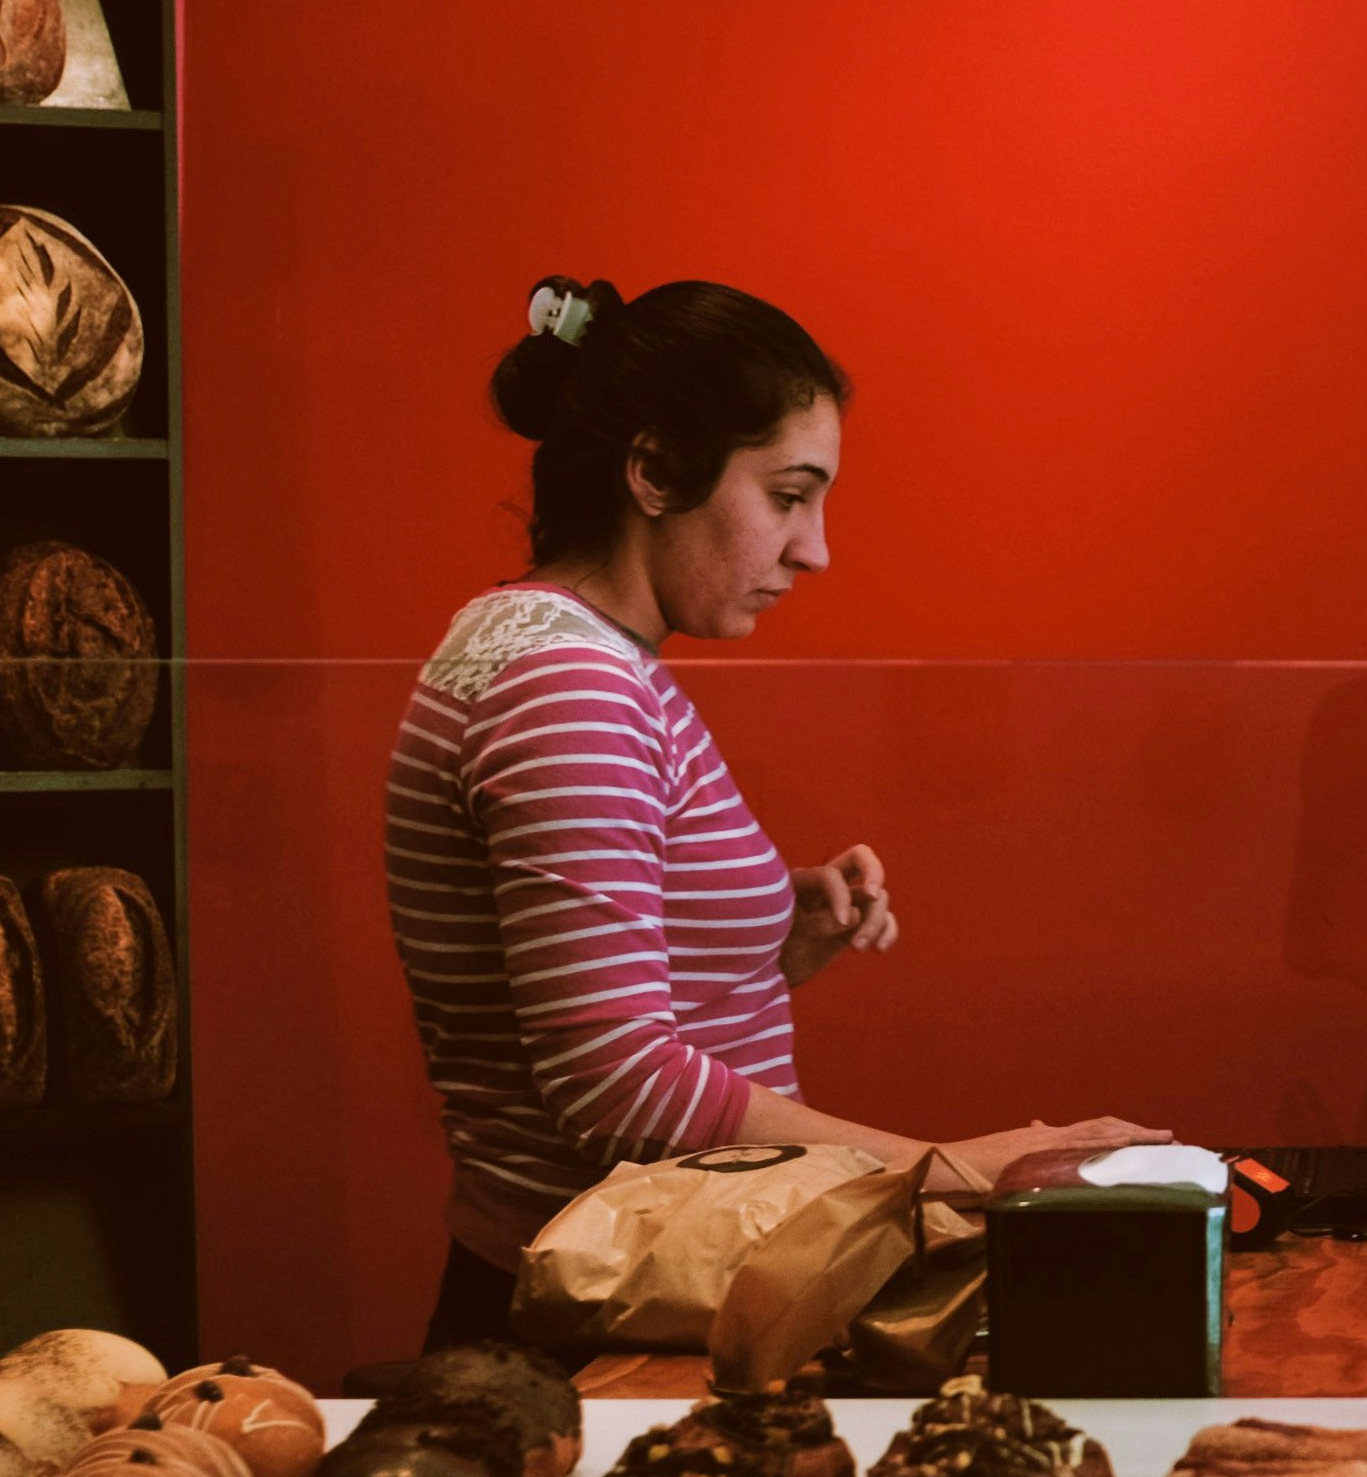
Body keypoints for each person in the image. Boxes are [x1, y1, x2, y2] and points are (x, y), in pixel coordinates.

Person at [384, 276, 1136, 1354]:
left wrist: (765, 938)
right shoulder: (570, 685)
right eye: (788, 494)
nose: (815, 548)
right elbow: (615, 1086)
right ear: (651, 471)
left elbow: (570, 992)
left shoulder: (557, 653)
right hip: (593, 1322)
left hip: (622, 1284)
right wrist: (952, 1167)